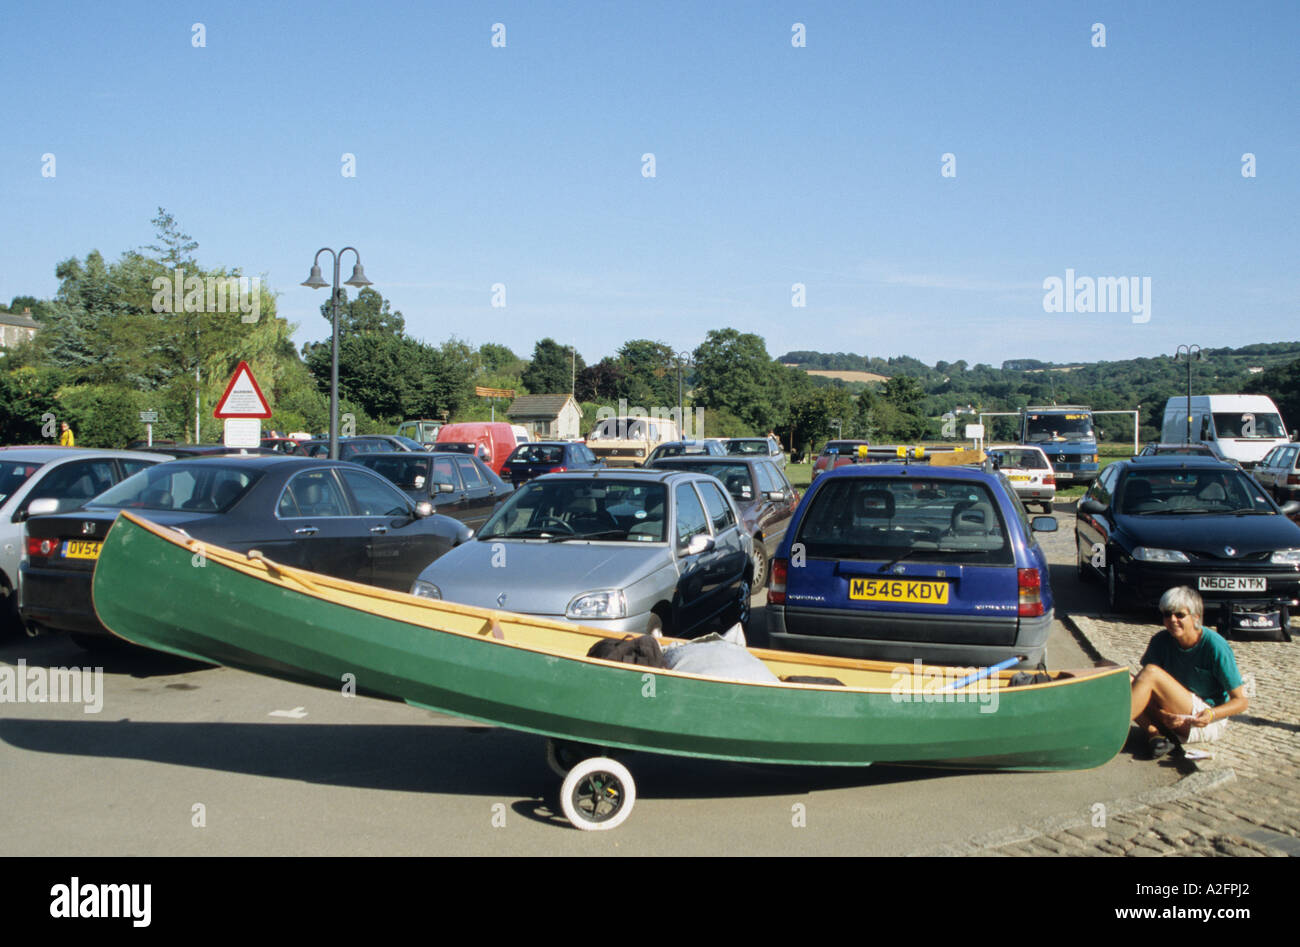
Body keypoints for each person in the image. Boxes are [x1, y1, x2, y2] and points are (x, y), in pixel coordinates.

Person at [1130, 586, 1248, 758]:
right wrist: (1161, 714)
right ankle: (1155, 735)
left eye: (1180, 615)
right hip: (1171, 712)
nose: (1172, 620)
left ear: (1196, 617)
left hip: (1203, 719)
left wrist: (1210, 714)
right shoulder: (1160, 640)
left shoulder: (1215, 646)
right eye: (1167, 614)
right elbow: (1144, 689)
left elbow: (1241, 702)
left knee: (1150, 673)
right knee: (1120, 676)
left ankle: (1111, 730)